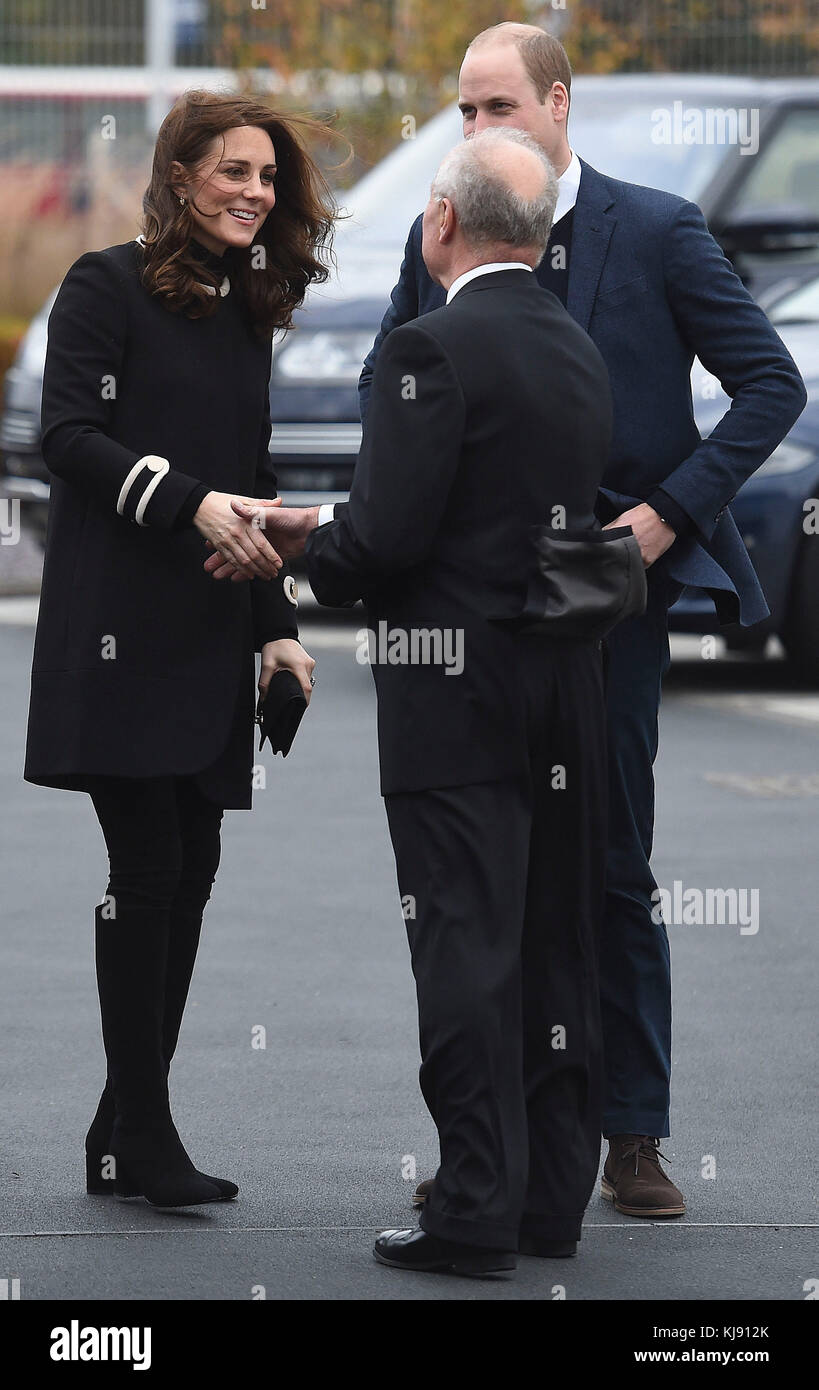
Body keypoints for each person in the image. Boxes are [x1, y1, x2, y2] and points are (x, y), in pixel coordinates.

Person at [357, 24, 808, 1220]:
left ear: (560, 104)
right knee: (484, 882)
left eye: (495, 102)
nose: (475, 127)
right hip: (470, 616)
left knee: (607, 863)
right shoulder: (438, 232)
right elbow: (389, 376)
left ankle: (633, 1131)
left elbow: (773, 385)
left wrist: (665, 519)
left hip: (607, 603)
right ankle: (492, 1149)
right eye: (461, 108)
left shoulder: (656, 229)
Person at [216, 127, 617, 1275]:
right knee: (554, 944)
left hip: (459, 700)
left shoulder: (426, 349)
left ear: (441, 222)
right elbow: (504, 511)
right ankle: (548, 1201)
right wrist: (335, 532)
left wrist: (297, 553)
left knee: (462, 946)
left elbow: (386, 539)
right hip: (563, 690)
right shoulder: (574, 347)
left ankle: (472, 1208)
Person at [23, 90, 327, 1209]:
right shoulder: (104, 283)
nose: (255, 193)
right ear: (183, 175)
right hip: (116, 633)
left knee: (188, 873)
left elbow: (250, 493)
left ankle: (120, 1122)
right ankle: (145, 1132)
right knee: (148, 870)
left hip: (206, 632)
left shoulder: (248, 310)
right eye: (235, 171)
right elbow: (67, 435)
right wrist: (189, 502)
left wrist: (280, 632)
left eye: (268, 179)